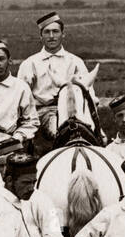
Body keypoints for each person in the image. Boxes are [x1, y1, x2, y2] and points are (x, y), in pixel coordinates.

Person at [17, 12, 95, 144]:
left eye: (55, 31)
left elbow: (89, 92)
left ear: (63, 34)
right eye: (47, 32)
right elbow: (21, 96)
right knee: (60, 132)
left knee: (91, 135)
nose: (51, 36)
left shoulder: (75, 62)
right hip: (44, 112)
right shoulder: (30, 63)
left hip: (75, 111)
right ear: (40, 36)